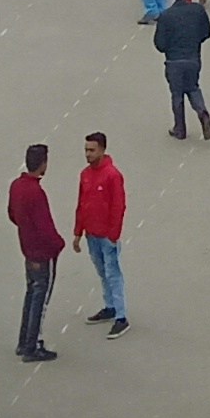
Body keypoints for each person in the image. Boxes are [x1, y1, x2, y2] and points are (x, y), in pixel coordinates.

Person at [7, 143, 66, 361]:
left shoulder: (16, 186)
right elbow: (45, 227)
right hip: (42, 253)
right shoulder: (36, 192)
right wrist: (58, 245)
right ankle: (34, 344)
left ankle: (24, 341)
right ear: (43, 164)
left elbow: (12, 214)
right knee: (41, 299)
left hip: (28, 250)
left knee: (31, 293)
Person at [73, 132, 130, 337]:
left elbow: (118, 205)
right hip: (91, 235)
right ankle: (110, 306)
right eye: (86, 150)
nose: (87, 154)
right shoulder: (85, 175)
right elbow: (81, 204)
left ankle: (121, 316)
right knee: (102, 272)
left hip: (106, 236)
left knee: (113, 273)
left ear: (102, 150)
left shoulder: (112, 175)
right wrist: (78, 232)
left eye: (91, 150)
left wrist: (113, 234)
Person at [153, 0, 210, 139]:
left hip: (174, 60)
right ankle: (202, 112)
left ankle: (180, 129)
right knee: (193, 87)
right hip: (193, 58)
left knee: (177, 94)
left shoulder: (166, 16)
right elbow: (206, 32)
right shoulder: (198, 11)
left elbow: (160, 44)